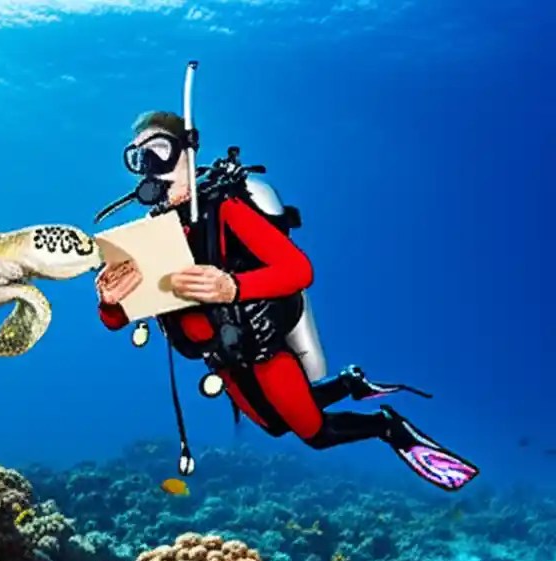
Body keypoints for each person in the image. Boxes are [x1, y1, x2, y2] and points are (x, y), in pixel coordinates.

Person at [94, 109, 479, 491]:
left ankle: (386, 425)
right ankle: (349, 382)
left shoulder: (224, 209)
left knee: (315, 434)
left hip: (264, 353)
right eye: (138, 156)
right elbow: (117, 319)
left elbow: (298, 270)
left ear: (189, 153)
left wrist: (233, 287)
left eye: (160, 150)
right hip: (223, 362)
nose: (150, 166)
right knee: (278, 428)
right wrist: (110, 302)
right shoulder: (145, 238)